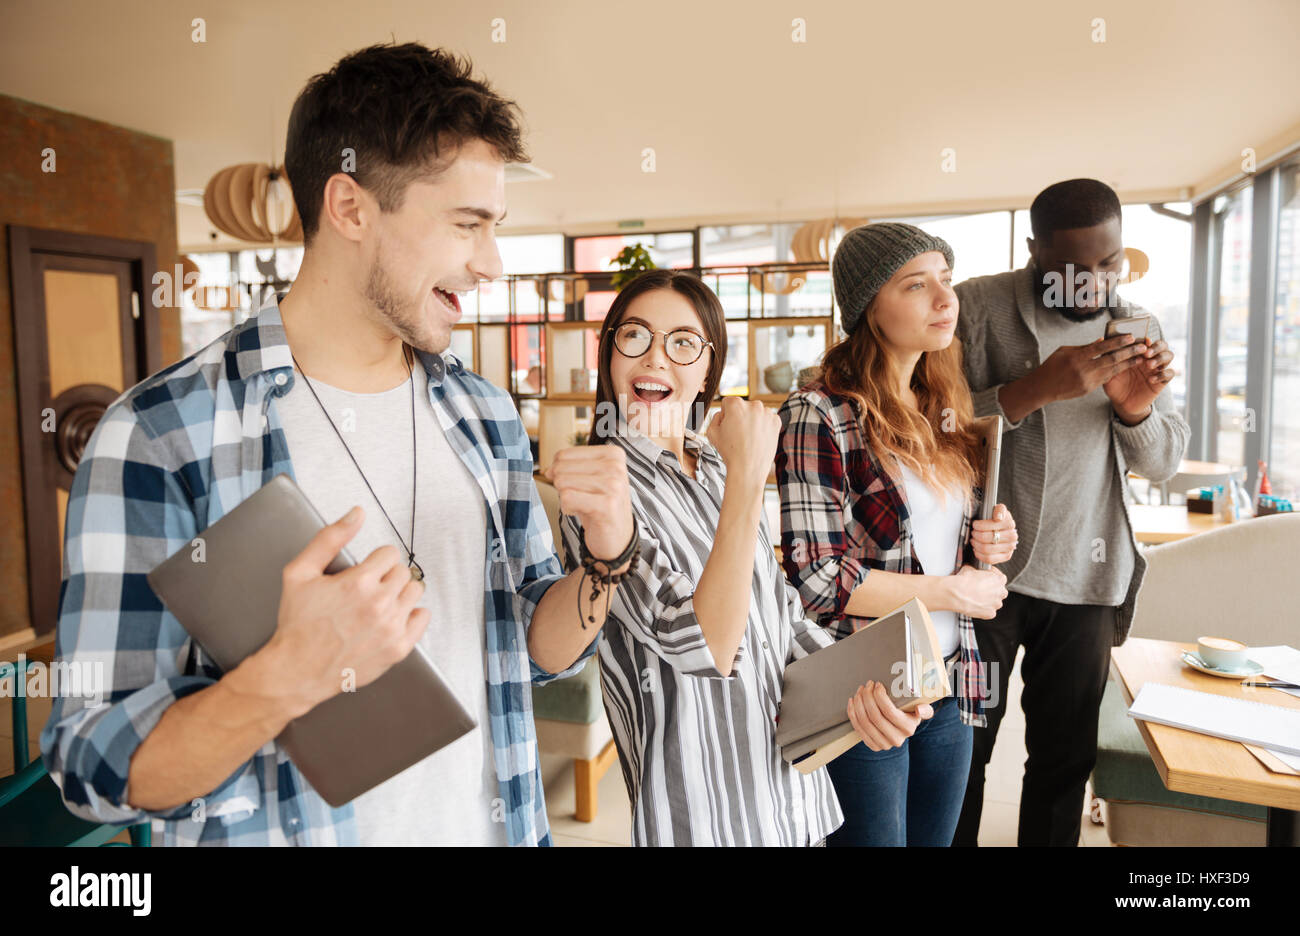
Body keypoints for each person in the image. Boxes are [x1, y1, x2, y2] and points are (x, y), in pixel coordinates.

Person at [41, 42, 637, 846]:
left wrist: (603, 560)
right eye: (468, 225)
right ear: (351, 208)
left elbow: (536, 648)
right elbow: (91, 771)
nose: (491, 264)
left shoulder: (485, 414)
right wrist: (283, 677)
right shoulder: (161, 434)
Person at [552, 269, 926, 846]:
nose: (655, 358)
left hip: (792, 801)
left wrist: (864, 689)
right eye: (635, 336)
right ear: (609, 354)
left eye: (682, 343)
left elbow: (781, 614)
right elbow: (700, 643)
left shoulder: (719, 465)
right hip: (704, 819)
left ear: (708, 368)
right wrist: (752, 477)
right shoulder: (599, 492)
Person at [950, 179, 1188, 847]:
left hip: (1088, 581)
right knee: (962, 756)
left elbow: (1163, 460)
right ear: (1035, 252)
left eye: (1109, 264)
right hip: (982, 581)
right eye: (1073, 269)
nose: (1095, 283)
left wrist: (1135, 409)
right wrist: (1030, 391)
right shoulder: (978, 308)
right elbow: (931, 429)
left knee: (1062, 767)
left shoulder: (1140, 325)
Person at [777, 222, 1018, 846]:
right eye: (917, 284)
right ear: (868, 310)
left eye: (946, 279)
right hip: (868, 693)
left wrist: (988, 544)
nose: (945, 299)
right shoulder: (818, 414)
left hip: (949, 676)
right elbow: (817, 578)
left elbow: (939, 546)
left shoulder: (940, 407)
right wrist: (949, 591)